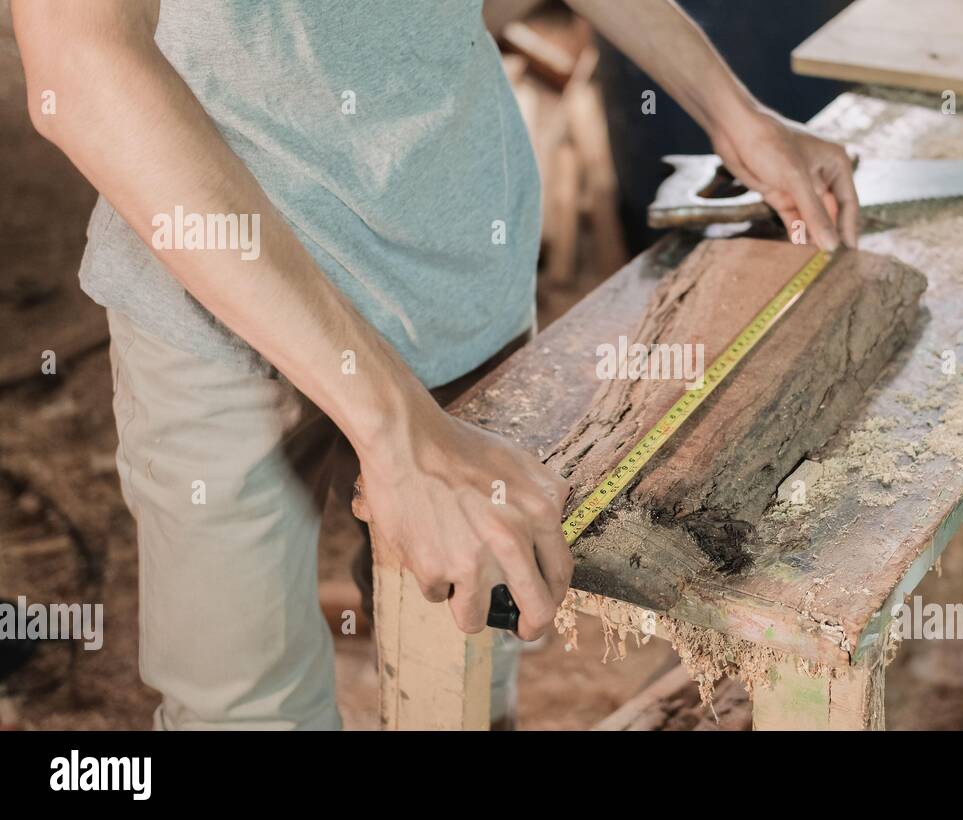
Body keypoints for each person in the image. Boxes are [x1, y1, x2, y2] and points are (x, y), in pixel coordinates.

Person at [13, 0, 859, 729]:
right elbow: (81, 64)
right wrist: (397, 431)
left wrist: (730, 110)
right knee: (242, 706)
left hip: (456, 264)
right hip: (216, 304)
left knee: (463, 669)